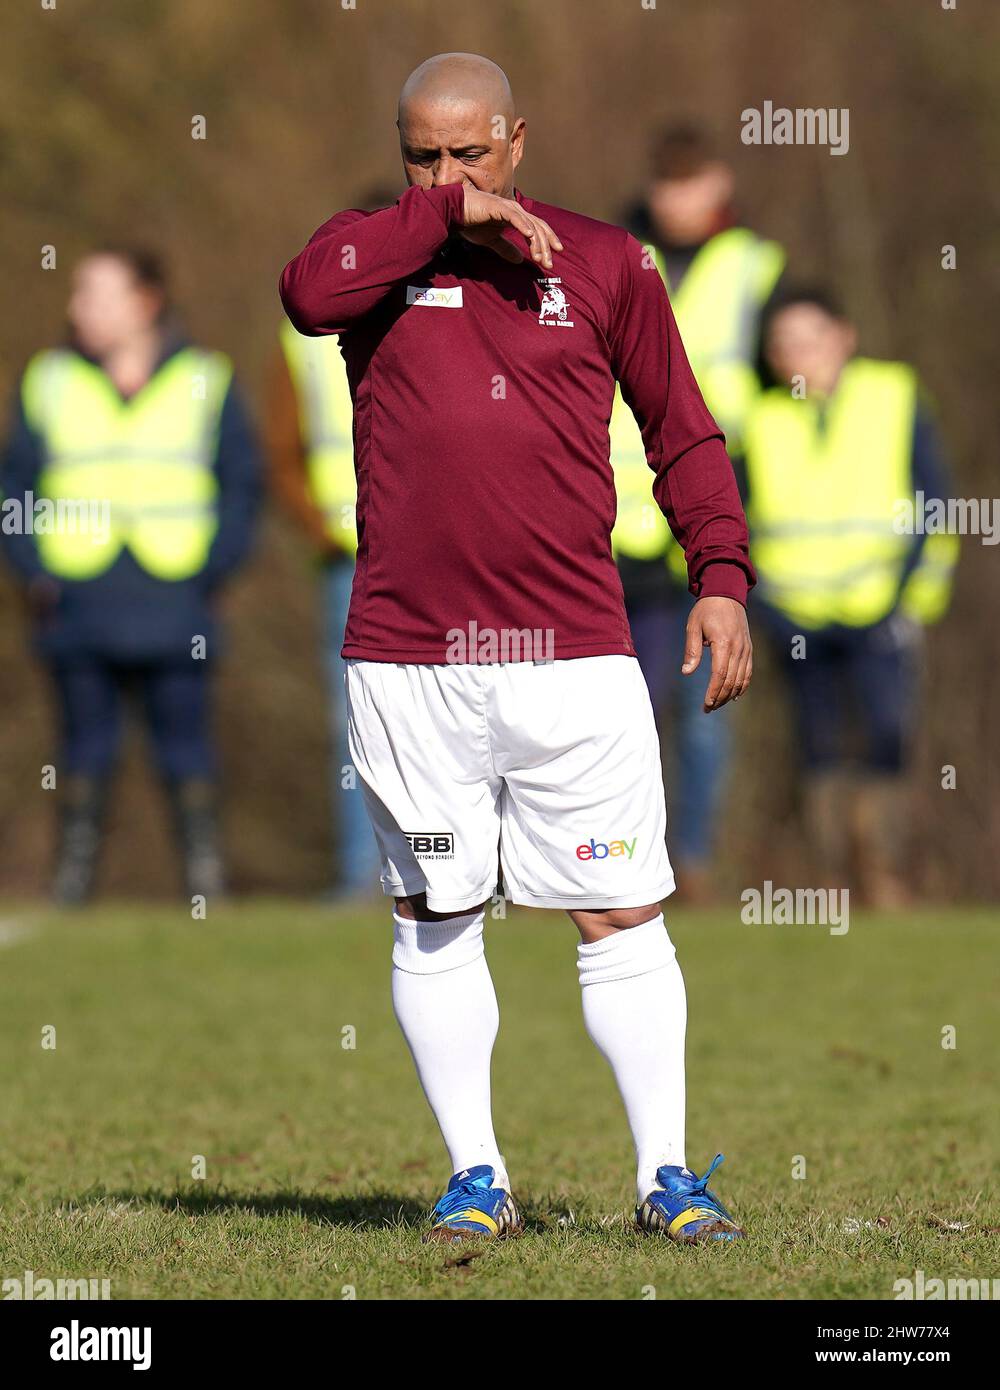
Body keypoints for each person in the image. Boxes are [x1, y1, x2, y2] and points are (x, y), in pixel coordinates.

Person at [280, 53, 754, 1244]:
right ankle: (476, 1173)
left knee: (619, 909)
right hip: (407, 658)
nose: (449, 177)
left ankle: (665, 1177)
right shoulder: (377, 254)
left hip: (574, 655)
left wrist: (722, 579)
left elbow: (682, 432)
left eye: (470, 156)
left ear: (519, 141)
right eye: (422, 158)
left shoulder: (604, 263)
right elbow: (303, 291)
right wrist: (433, 216)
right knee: (433, 914)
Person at [1, 248, 260, 905]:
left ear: (146, 301)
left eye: (95, 294)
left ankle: (206, 887)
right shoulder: (48, 379)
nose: (76, 308)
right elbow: (14, 487)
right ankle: (73, 889)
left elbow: (241, 483)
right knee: (82, 750)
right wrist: (34, 571)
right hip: (76, 591)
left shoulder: (206, 376)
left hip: (175, 588)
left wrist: (215, 566)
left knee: (186, 746)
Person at [611, 124, 785, 901]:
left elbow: (786, 397)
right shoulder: (611, 255)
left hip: (714, 521)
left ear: (720, 183)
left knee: (710, 705)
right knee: (621, 710)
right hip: (619, 524)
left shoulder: (757, 270)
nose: (677, 199)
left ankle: (700, 863)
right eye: (666, 183)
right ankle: (621, 860)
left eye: (692, 182)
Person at [740, 286, 958, 906]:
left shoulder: (894, 395)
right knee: (817, 743)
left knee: (889, 734)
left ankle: (884, 872)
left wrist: (913, 600)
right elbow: (734, 521)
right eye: (782, 344)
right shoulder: (762, 419)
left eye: (809, 339)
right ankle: (831, 879)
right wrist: (763, 606)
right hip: (796, 615)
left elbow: (936, 502)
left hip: (880, 607)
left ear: (845, 337)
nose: (796, 355)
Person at [267, 188, 398, 900]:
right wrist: (319, 528)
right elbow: (281, 446)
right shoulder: (303, 329)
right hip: (349, 557)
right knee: (357, 719)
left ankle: (468, 875)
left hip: (445, 554)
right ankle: (362, 874)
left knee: (465, 713)